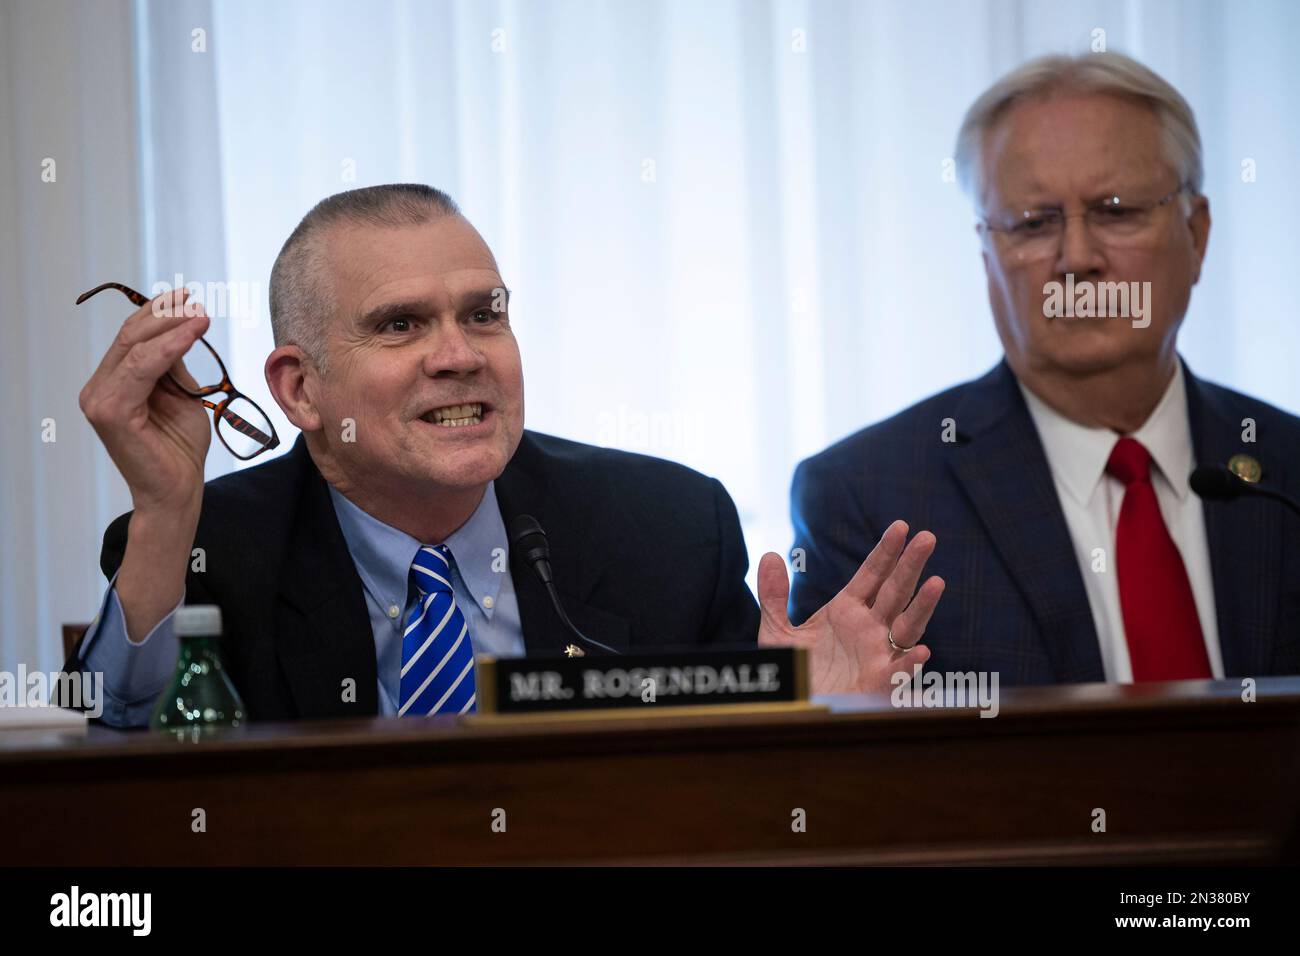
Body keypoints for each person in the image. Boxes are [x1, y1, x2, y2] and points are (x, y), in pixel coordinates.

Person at [70, 184, 944, 726]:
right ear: (300, 390)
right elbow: (112, 764)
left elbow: (732, 812)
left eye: (484, 313)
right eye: (402, 324)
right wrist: (163, 514)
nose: (462, 353)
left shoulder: (668, 529)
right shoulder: (204, 548)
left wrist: (805, 716)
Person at [791, 52, 1300, 684]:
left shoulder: (1286, 466)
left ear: (1197, 235)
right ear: (987, 257)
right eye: (1034, 223)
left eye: (1116, 211)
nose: (1078, 259)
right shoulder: (869, 501)